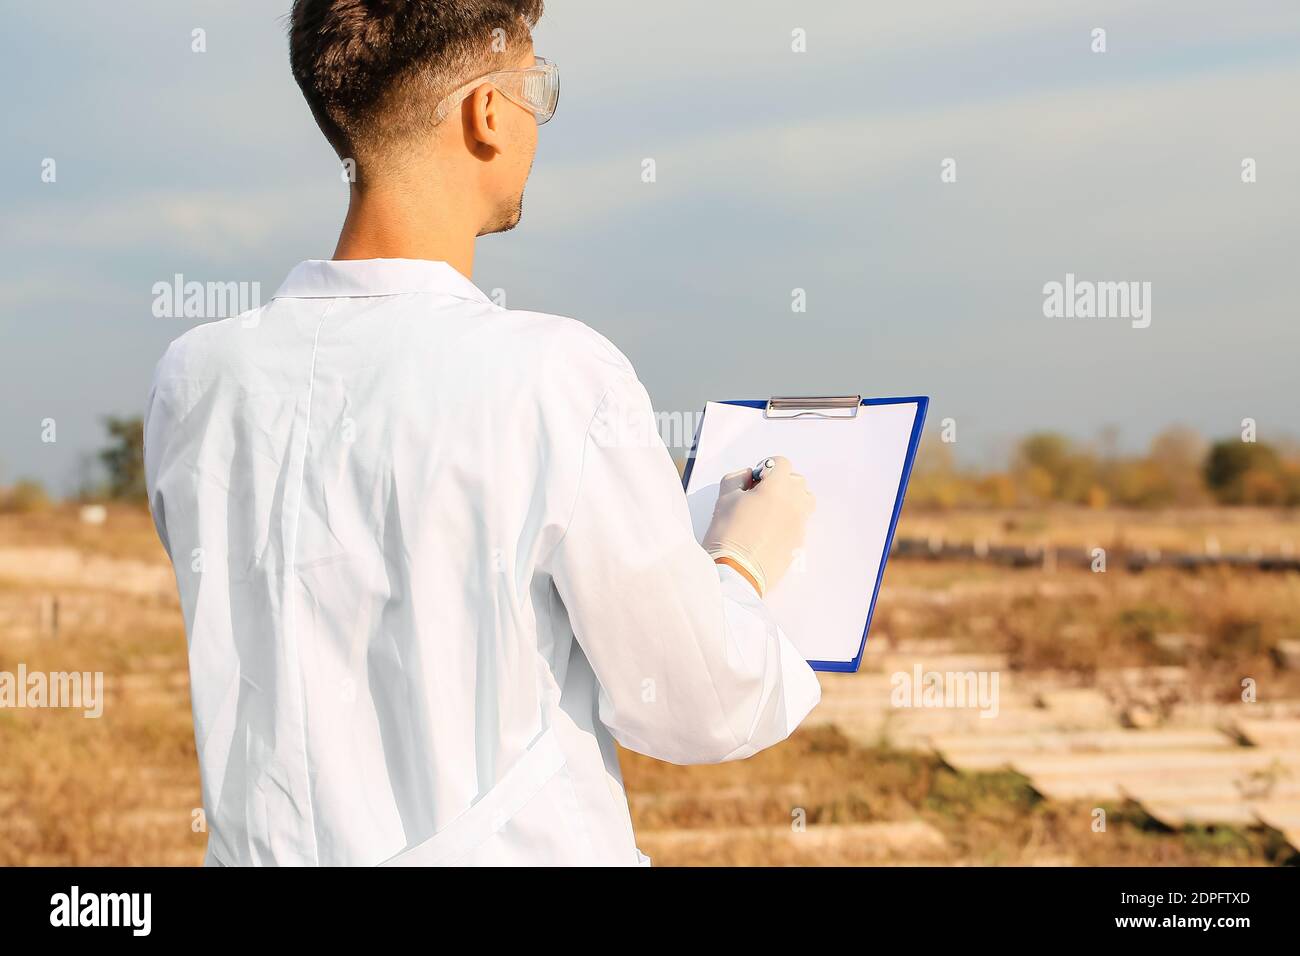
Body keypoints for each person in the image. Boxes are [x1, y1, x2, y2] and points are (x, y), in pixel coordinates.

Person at [143, 0, 819, 867]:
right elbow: (697, 702)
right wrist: (741, 561)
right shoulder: (556, 377)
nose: (540, 113)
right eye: (536, 84)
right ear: (487, 114)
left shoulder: (195, 378)